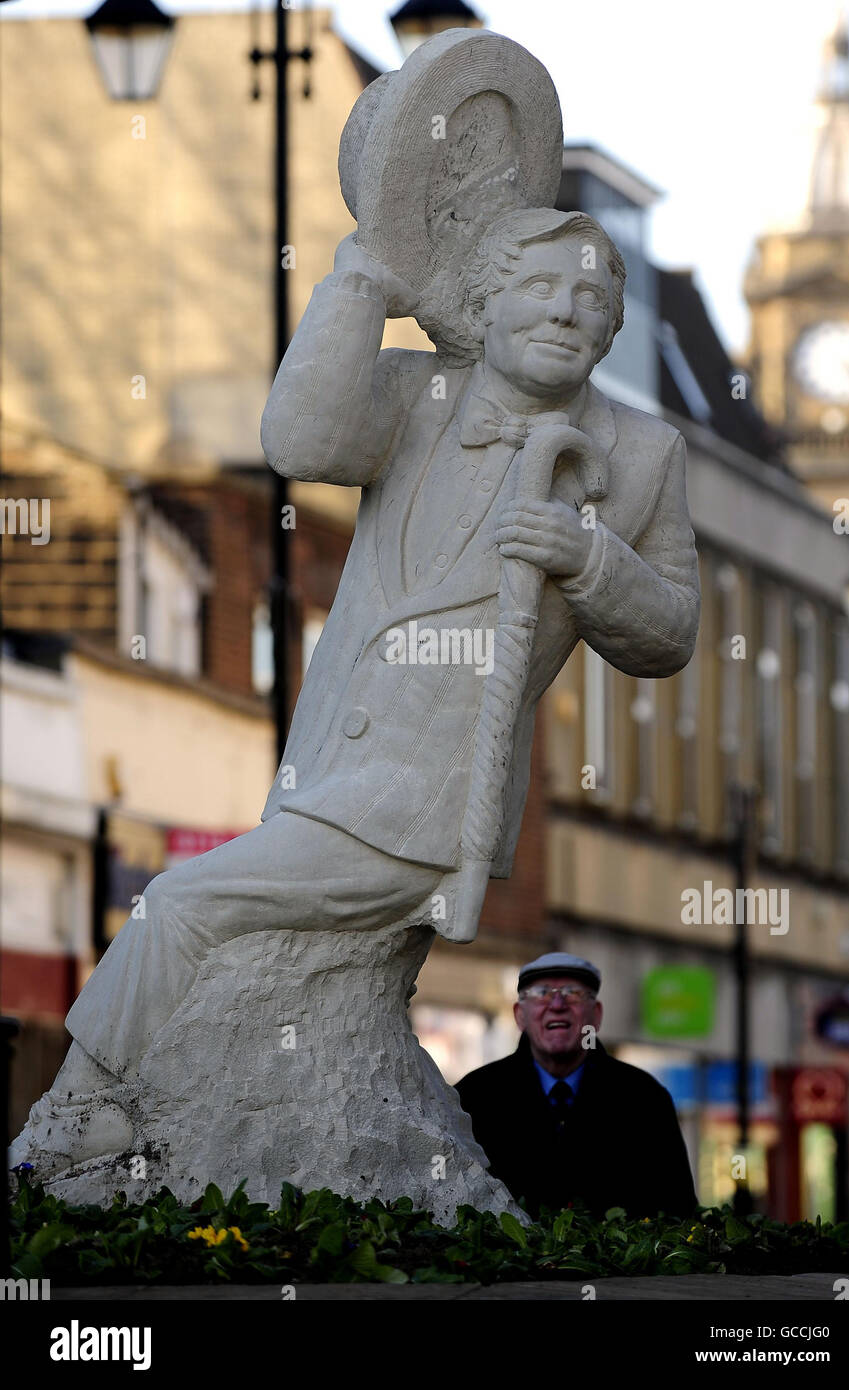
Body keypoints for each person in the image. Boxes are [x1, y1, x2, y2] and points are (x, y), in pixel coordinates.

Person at [12, 208, 700, 1176]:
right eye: (539, 288)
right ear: (484, 304)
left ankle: (85, 1106)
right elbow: (300, 435)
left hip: (431, 797)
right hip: (331, 760)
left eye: (593, 297)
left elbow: (669, 631)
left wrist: (587, 557)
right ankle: (174, 1125)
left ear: (614, 327)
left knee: (182, 904)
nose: (566, 312)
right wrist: (360, 290)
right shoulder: (416, 393)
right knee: (233, 942)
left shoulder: (639, 454)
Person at [455, 953, 698, 1220]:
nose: (557, 1004)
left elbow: (679, 1212)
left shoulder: (645, 1099)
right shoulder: (473, 1097)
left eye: (573, 993)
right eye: (541, 993)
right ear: (519, 1015)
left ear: (596, 1015)